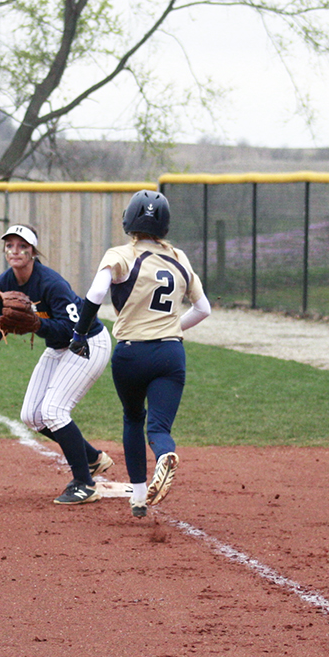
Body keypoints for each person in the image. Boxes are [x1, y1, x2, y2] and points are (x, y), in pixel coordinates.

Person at [71, 190, 210, 518]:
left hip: (132, 354)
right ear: (165, 225)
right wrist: (173, 329)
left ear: (129, 220)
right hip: (171, 353)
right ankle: (165, 454)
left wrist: (79, 333)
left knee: (133, 417)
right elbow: (203, 309)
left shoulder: (120, 254)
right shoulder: (179, 257)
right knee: (159, 429)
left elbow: (95, 293)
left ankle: (136, 496)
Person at [0, 223, 116, 504]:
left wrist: (36, 324)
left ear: (33, 252)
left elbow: (71, 330)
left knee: (54, 411)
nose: (15, 251)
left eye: (22, 246)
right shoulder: (4, 282)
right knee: (32, 415)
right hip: (59, 347)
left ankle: (84, 483)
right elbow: (0, 322)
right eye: (10, 245)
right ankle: (92, 458)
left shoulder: (51, 283)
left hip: (88, 342)